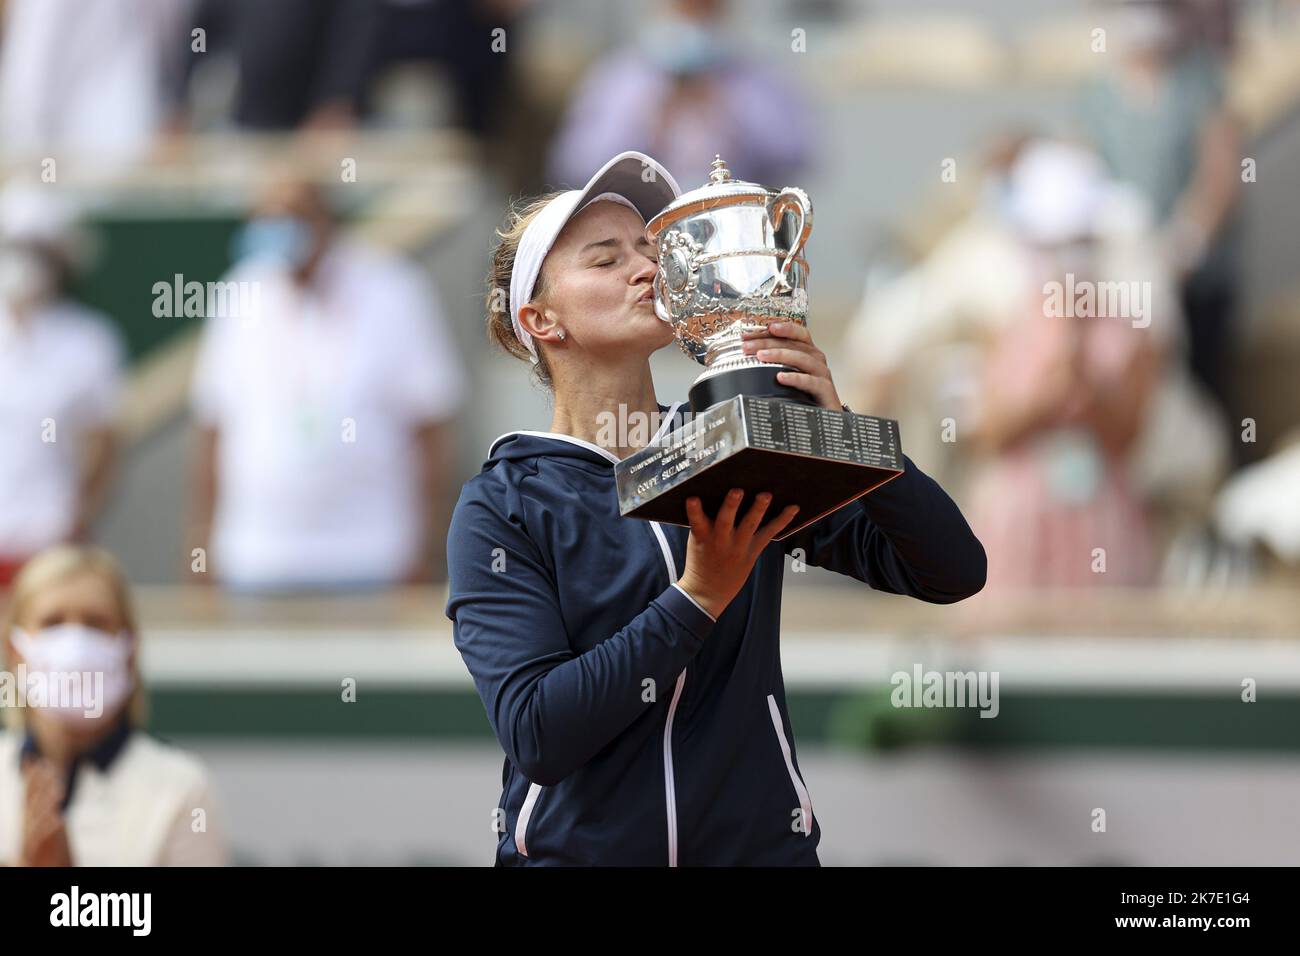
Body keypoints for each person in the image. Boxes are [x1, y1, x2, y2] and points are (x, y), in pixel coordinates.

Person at [445, 150, 986, 866]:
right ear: (541, 319)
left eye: (649, 251)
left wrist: (844, 431)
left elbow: (952, 571)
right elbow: (540, 732)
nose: (644, 270)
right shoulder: (502, 504)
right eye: (605, 261)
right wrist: (699, 598)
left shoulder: (735, 442)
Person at [188, 176, 466, 591]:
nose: (279, 228)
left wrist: (427, 548)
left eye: (293, 215)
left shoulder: (392, 288)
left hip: (372, 558)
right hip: (255, 560)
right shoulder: (239, 291)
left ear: (327, 220)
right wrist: (200, 548)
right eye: (266, 217)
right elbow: (214, 427)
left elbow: (430, 427)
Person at [0, 545, 228, 866]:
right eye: (53, 623)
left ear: (129, 649)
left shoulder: (182, 789)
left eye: (95, 624)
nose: (75, 644)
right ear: (15, 651)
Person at [0, 188, 124, 586]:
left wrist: (74, 522)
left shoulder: (89, 339)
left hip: (48, 545)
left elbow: (105, 446)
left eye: (36, 250)